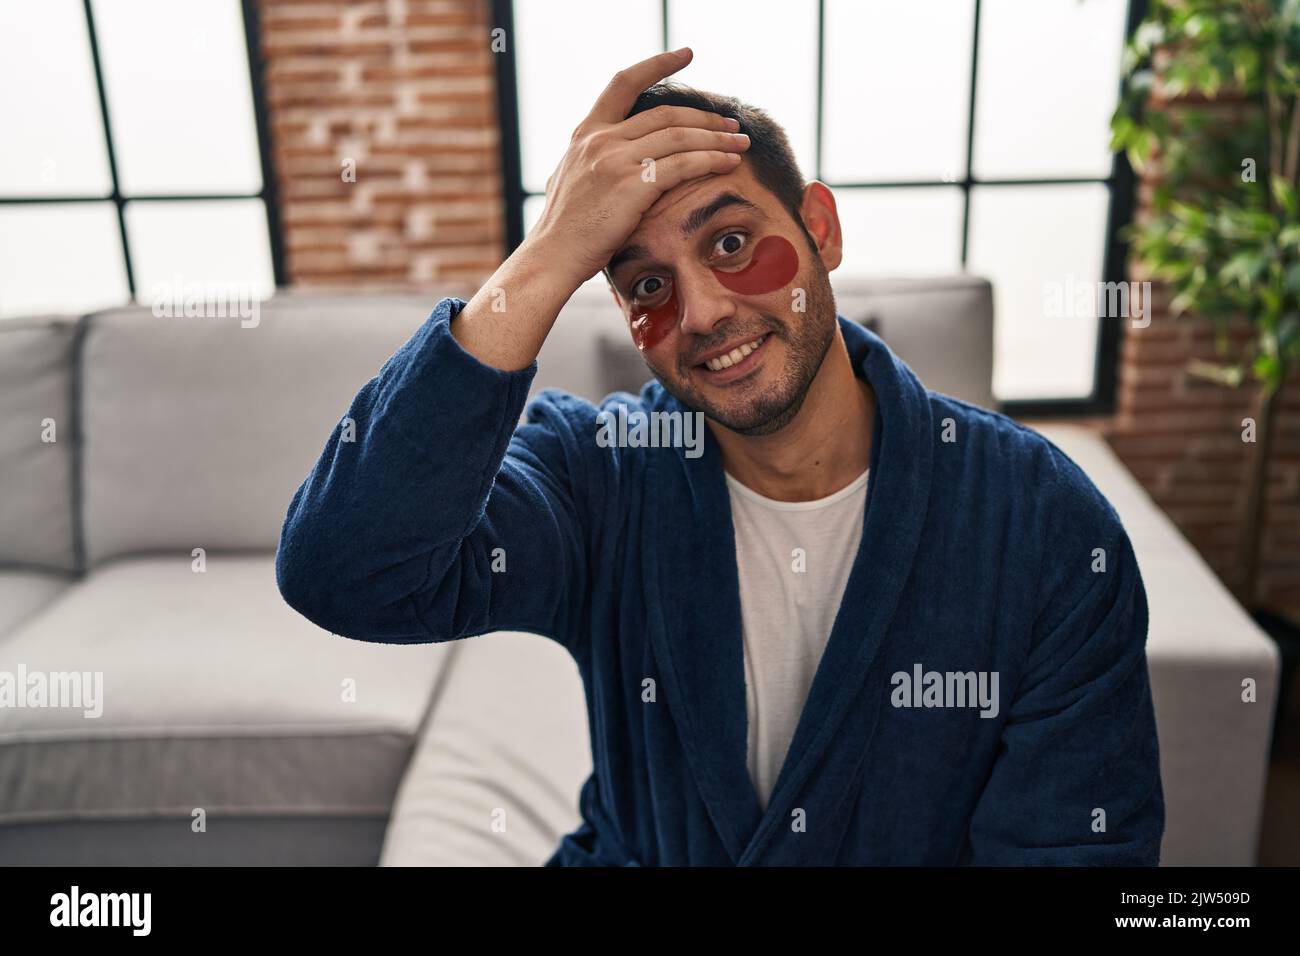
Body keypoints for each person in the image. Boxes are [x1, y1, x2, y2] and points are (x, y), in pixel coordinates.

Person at [276, 48, 1165, 866]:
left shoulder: (1042, 524)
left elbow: (1072, 852)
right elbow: (345, 570)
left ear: (820, 227)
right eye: (646, 286)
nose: (699, 313)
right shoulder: (601, 474)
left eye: (732, 243)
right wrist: (546, 257)